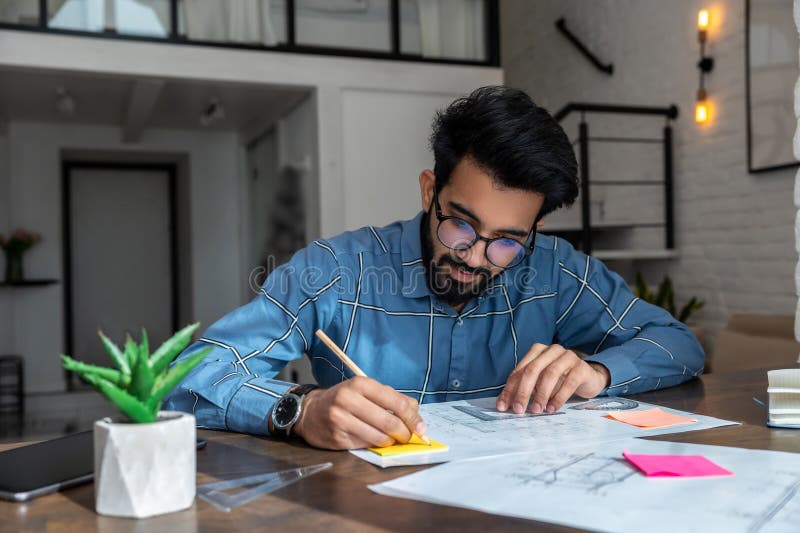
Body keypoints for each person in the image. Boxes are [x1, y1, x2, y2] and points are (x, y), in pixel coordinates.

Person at [164, 86, 704, 450]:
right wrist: (299, 409)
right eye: (461, 225)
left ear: (534, 231)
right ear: (430, 191)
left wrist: (599, 373)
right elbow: (185, 380)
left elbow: (677, 343)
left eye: (508, 241)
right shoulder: (335, 269)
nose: (474, 256)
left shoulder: (555, 271)